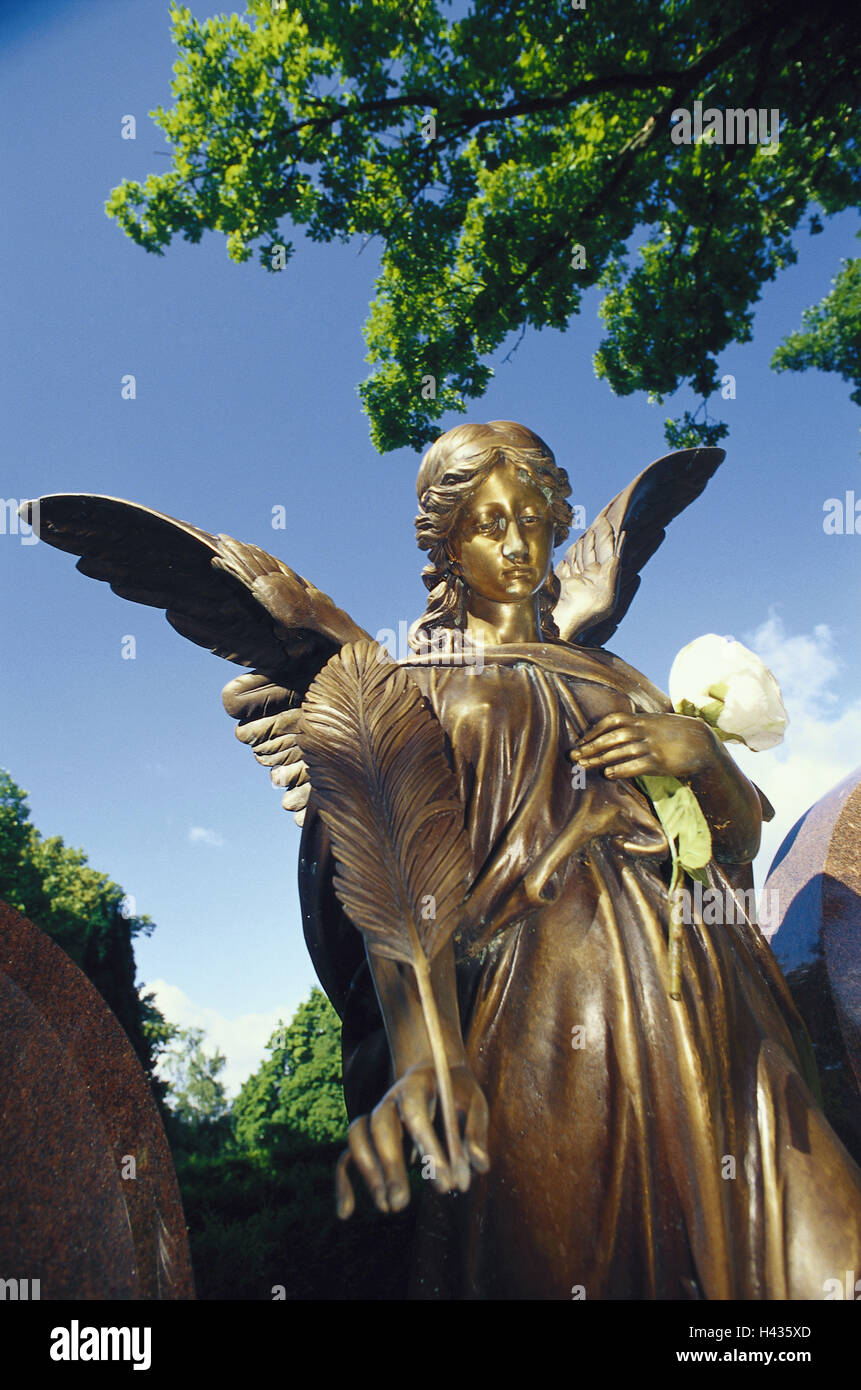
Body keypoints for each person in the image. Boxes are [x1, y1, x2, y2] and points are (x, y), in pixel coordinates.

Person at [299, 419, 861, 1299]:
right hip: (548, 1032)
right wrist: (424, 1049)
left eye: (533, 516)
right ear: (444, 542)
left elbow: (737, 844)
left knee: (838, 1268)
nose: (518, 542)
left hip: (720, 1019)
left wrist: (702, 756)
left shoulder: (615, 675)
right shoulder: (408, 684)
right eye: (488, 523)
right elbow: (384, 881)